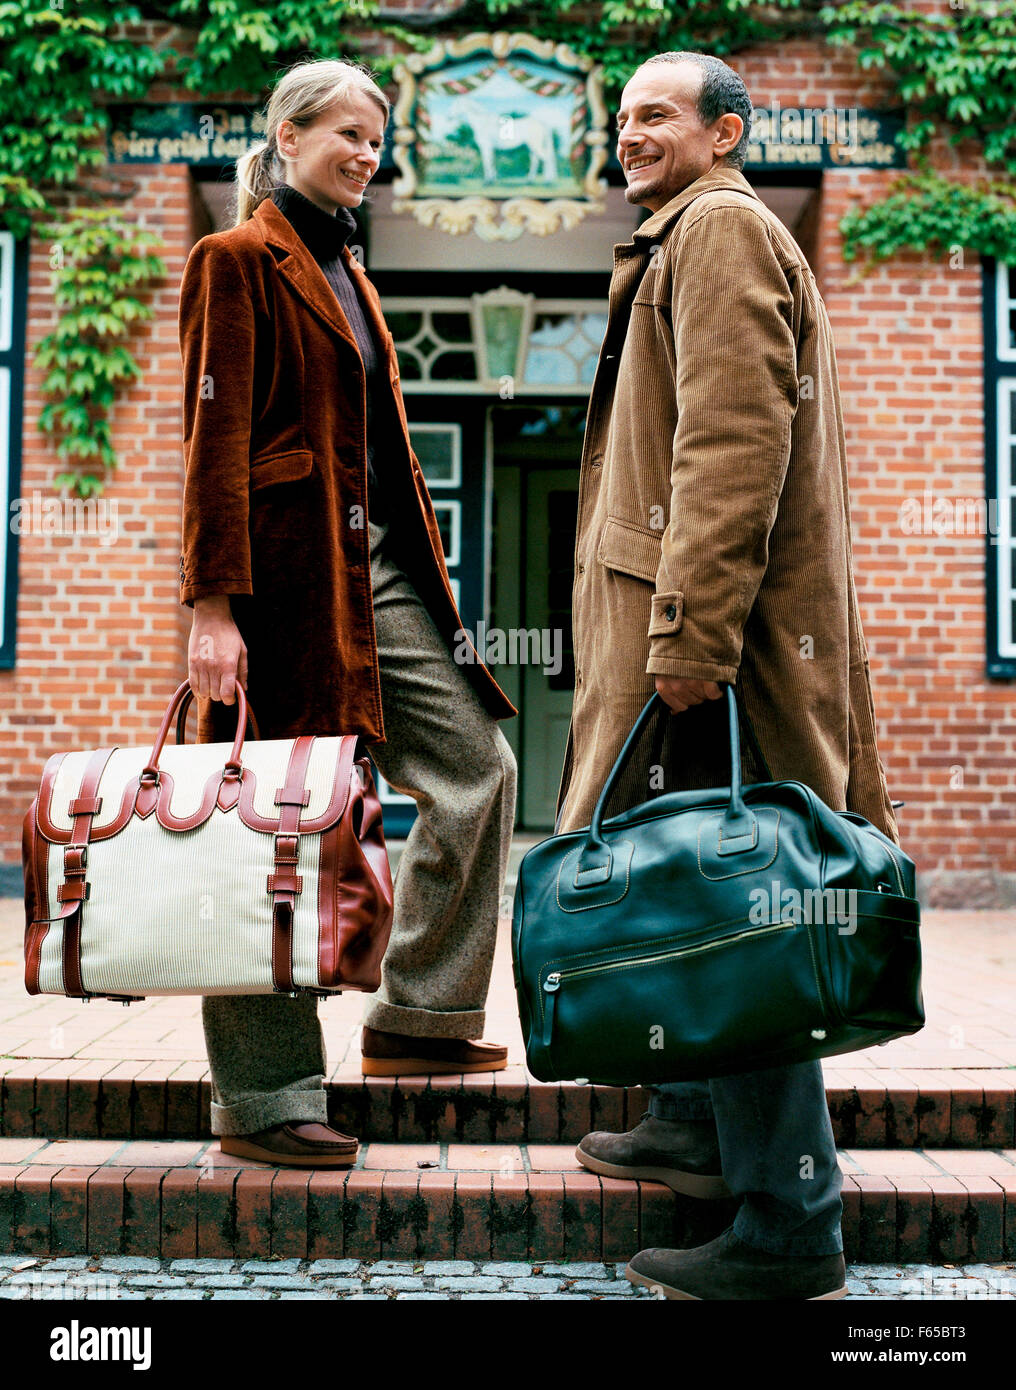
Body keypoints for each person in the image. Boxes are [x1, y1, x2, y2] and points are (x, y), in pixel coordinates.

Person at [555, 51, 901, 1299]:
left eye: (657, 114)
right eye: (623, 114)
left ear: (726, 134)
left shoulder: (718, 233)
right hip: (697, 645)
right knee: (701, 889)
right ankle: (697, 1128)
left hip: (721, 658)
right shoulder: (683, 232)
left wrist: (689, 641)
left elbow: (730, 444)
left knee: (749, 911)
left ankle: (788, 1223)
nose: (629, 131)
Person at [178, 59, 517, 1169]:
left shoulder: (351, 275)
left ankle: (419, 1015)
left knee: (477, 767)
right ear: (287, 134)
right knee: (266, 821)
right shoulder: (235, 261)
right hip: (279, 584)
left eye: (378, 138)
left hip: (377, 575)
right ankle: (263, 1094)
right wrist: (213, 607)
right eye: (346, 134)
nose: (366, 154)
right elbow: (211, 443)